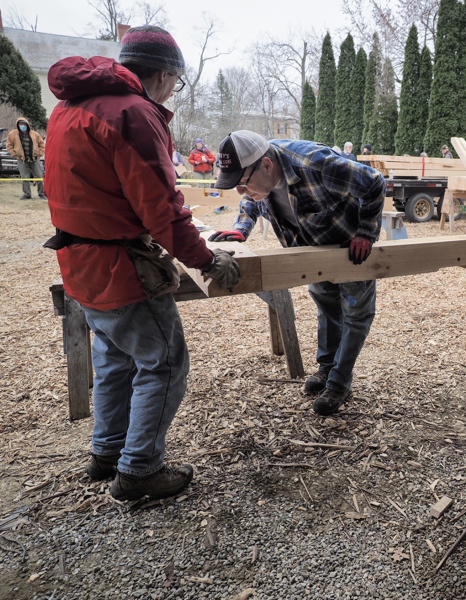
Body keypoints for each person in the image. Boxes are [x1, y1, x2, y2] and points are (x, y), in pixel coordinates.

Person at [44, 25, 242, 501]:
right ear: (162, 74)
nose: (174, 90)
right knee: (165, 361)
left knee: (114, 359)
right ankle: (139, 472)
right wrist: (206, 258)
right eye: (176, 81)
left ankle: (107, 452)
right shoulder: (133, 113)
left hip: (79, 261)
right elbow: (163, 208)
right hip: (118, 266)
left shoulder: (70, 108)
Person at [210, 131, 385, 416]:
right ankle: (326, 368)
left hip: (351, 249)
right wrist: (241, 227)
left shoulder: (316, 164)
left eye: (243, 182)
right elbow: (252, 200)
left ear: (267, 165)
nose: (241, 191)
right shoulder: (260, 178)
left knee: (355, 314)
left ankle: (340, 383)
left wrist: (366, 232)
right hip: (310, 251)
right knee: (327, 308)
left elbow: (374, 183)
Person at [6, 117, 46, 200]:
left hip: (35, 159)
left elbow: (42, 144)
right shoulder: (12, 134)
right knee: (25, 177)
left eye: (24, 124)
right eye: (20, 124)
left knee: (39, 176)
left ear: (27, 125)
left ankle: (41, 193)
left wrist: (40, 153)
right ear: (17, 125)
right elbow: (9, 146)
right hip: (22, 160)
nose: (22, 126)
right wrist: (15, 154)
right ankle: (27, 194)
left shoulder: (35, 134)